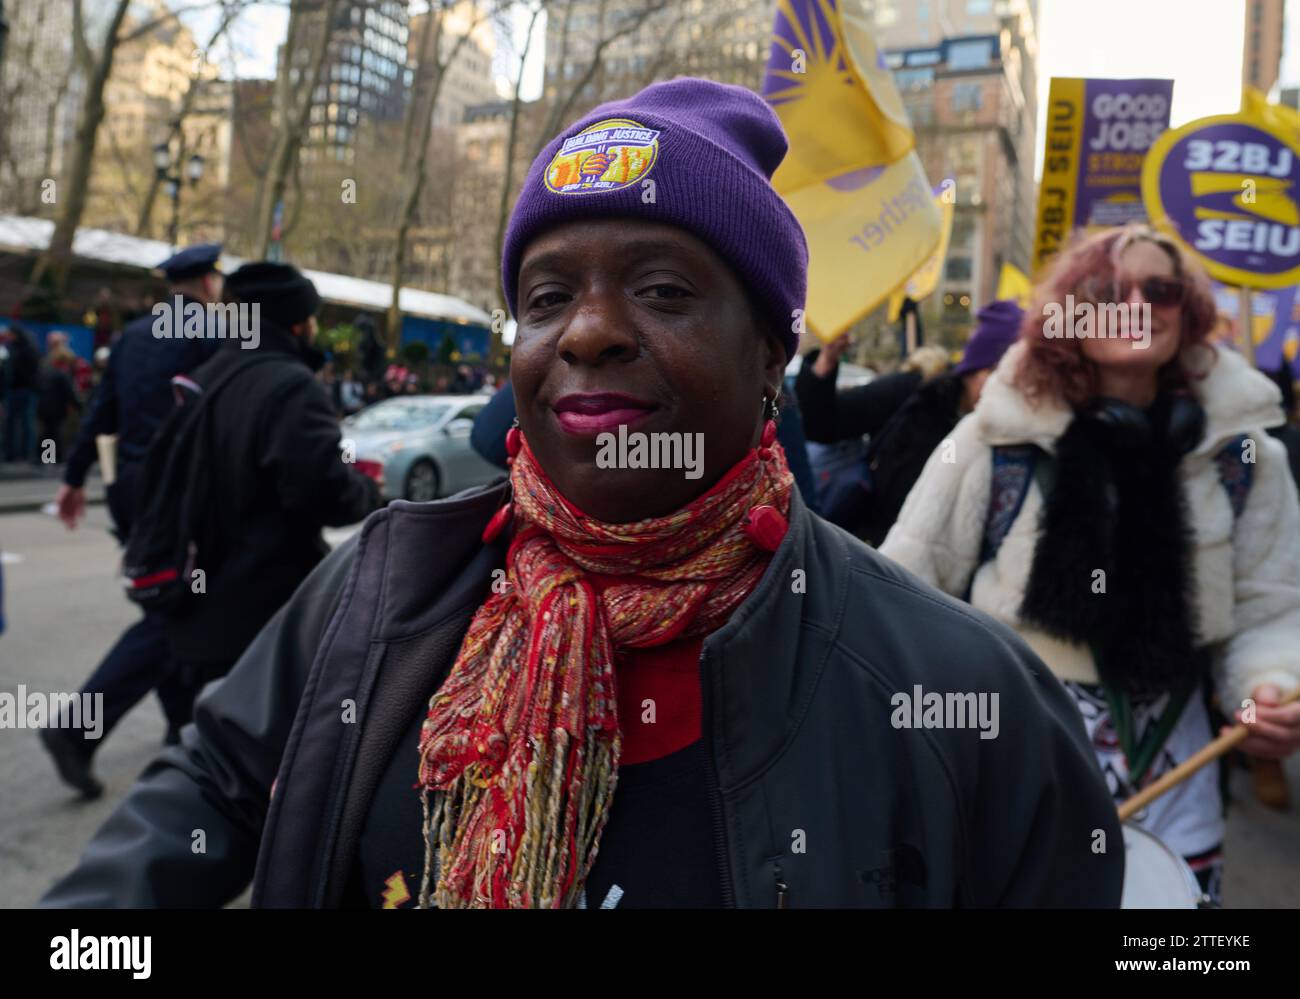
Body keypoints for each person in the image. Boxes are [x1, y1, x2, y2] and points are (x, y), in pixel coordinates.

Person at [42, 79, 1120, 909]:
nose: (589, 330)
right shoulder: (382, 589)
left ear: (769, 359)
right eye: (548, 296)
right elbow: (215, 786)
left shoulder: (957, 693)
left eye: (660, 289)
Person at [881, 224, 1300, 905]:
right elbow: (900, 594)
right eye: (1109, 289)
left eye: (1160, 287)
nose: (1137, 302)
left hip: (1182, 786)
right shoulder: (996, 440)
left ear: (1186, 308)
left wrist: (1268, 689)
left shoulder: (1245, 458)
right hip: (1018, 771)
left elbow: (1271, 610)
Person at [39, 244, 226, 799]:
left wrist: (74, 480)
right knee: (170, 621)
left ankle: (180, 727)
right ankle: (76, 730)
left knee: (169, 605)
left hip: (133, 494)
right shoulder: (213, 335)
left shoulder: (133, 336)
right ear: (209, 283)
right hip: (181, 497)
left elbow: (102, 414)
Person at [159, 261, 382, 711]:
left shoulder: (209, 375)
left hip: (197, 609)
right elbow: (320, 492)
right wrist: (367, 493)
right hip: (261, 615)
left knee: (198, 756)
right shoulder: (291, 386)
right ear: (298, 323)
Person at [855, 301, 1021, 546]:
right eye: (994, 374)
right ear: (974, 371)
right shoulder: (925, 406)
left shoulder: (1006, 428)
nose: (1004, 386)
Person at [37, 337, 82, 463]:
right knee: (54, 432)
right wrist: (77, 405)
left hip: (44, 405)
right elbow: (69, 392)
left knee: (47, 431)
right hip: (56, 407)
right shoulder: (62, 374)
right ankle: (51, 458)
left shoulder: (46, 369)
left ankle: (47, 458)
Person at [1, 321, 40, 462]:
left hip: (26, 390)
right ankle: (11, 453)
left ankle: (27, 454)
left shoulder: (28, 349)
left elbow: (32, 371)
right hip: (13, 390)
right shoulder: (9, 348)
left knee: (27, 423)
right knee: (11, 423)